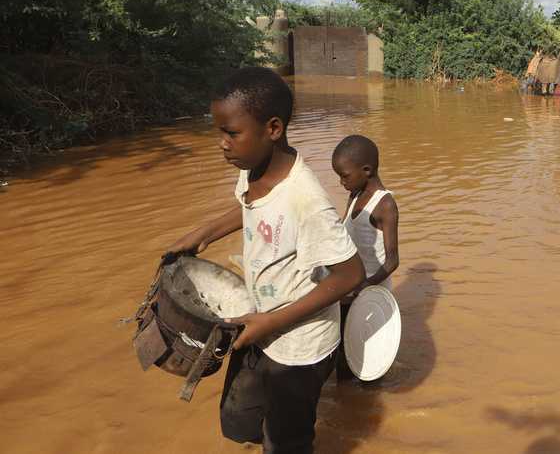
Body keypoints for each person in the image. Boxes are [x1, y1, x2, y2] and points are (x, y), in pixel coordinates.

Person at [166, 67, 365, 453]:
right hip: (258, 320)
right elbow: (247, 206)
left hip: (298, 344)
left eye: (231, 133)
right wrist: (201, 235)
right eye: (219, 131)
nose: (222, 143)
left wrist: (271, 321)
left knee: (286, 442)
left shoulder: (306, 200)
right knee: (237, 422)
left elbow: (351, 273)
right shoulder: (252, 167)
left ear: (272, 128)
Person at [331, 134, 400, 379]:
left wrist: (364, 285)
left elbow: (392, 261)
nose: (341, 182)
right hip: (349, 289)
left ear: (367, 170)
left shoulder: (385, 205)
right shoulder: (355, 195)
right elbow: (343, 232)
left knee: (369, 361)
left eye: (344, 176)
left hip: (371, 292)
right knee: (344, 355)